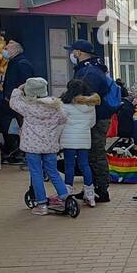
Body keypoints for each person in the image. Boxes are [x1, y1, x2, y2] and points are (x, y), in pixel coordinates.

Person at [9, 77, 69, 214]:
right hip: (50, 145)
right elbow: (63, 119)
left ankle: (41, 204)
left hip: (32, 147)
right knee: (53, 172)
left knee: (36, 173)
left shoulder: (28, 107)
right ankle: (65, 197)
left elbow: (13, 103)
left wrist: (19, 89)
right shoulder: (55, 106)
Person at [65, 40, 115, 201]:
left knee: (95, 153)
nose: (71, 55)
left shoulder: (88, 72)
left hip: (96, 118)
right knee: (91, 153)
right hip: (96, 117)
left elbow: (83, 95)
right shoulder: (94, 68)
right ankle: (92, 188)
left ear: (78, 53)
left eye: (72, 51)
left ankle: (100, 189)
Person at [59, 78, 100, 206]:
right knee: (84, 165)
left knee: (69, 165)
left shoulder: (64, 104)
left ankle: (67, 191)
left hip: (69, 138)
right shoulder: (90, 105)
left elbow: (60, 122)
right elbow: (92, 123)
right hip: (84, 138)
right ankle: (90, 194)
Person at [0, 38, 36, 163]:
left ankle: (20, 151)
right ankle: (16, 150)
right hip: (12, 100)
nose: (4, 51)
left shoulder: (22, 63)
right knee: (13, 127)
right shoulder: (15, 62)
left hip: (19, 101)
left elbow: (27, 82)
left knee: (20, 126)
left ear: (15, 50)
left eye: (7, 49)